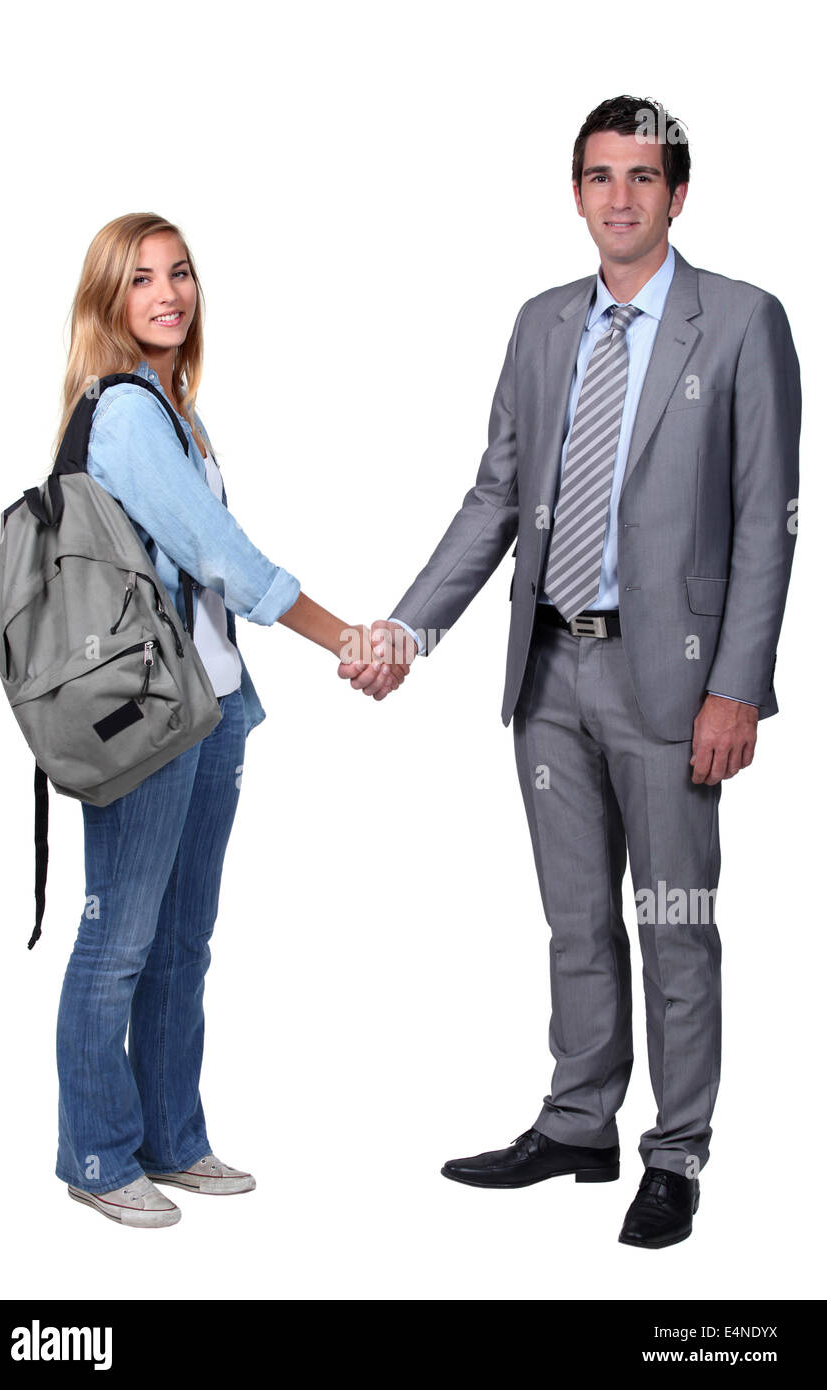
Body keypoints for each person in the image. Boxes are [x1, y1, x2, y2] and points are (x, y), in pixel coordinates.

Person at [341, 95, 801, 1248]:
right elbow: (494, 495)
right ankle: (576, 1121)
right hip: (548, 673)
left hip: (676, 683)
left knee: (675, 921)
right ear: (576, 193)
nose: (619, 196)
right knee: (573, 920)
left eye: (641, 177)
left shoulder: (741, 323)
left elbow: (766, 523)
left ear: (677, 194)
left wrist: (737, 686)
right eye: (598, 176)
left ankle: (676, 1151)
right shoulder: (543, 324)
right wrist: (409, 628)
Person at [53, 212, 406, 1228]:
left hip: (206, 705)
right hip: (140, 715)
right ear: (107, 300)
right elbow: (220, 556)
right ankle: (94, 1151)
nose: (167, 294)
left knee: (181, 941)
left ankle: (171, 1138)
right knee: (116, 940)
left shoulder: (176, 409)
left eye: (181, 274)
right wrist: (345, 633)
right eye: (141, 280)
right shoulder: (122, 412)